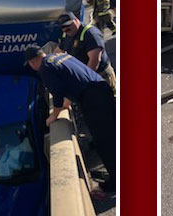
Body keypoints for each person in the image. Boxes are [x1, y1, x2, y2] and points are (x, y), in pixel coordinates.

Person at [25, 46, 115, 192]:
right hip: (101, 89)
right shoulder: (59, 57)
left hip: (93, 99)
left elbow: (58, 93)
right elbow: (71, 78)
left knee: (104, 140)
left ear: (33, 62)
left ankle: (116, 181)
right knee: (113, 133)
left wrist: (53, 117)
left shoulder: (45, 68)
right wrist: (68, 103)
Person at [54, 11, 116, 95]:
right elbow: (58, 52)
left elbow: (94, 60)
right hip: (83, 74)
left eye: (69, 25)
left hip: (100, 76)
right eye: (63, 27)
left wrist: (84, 80)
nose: (66, 29)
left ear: (76, 20)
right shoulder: (66, 35)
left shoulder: (90, 34)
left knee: (109, 103)